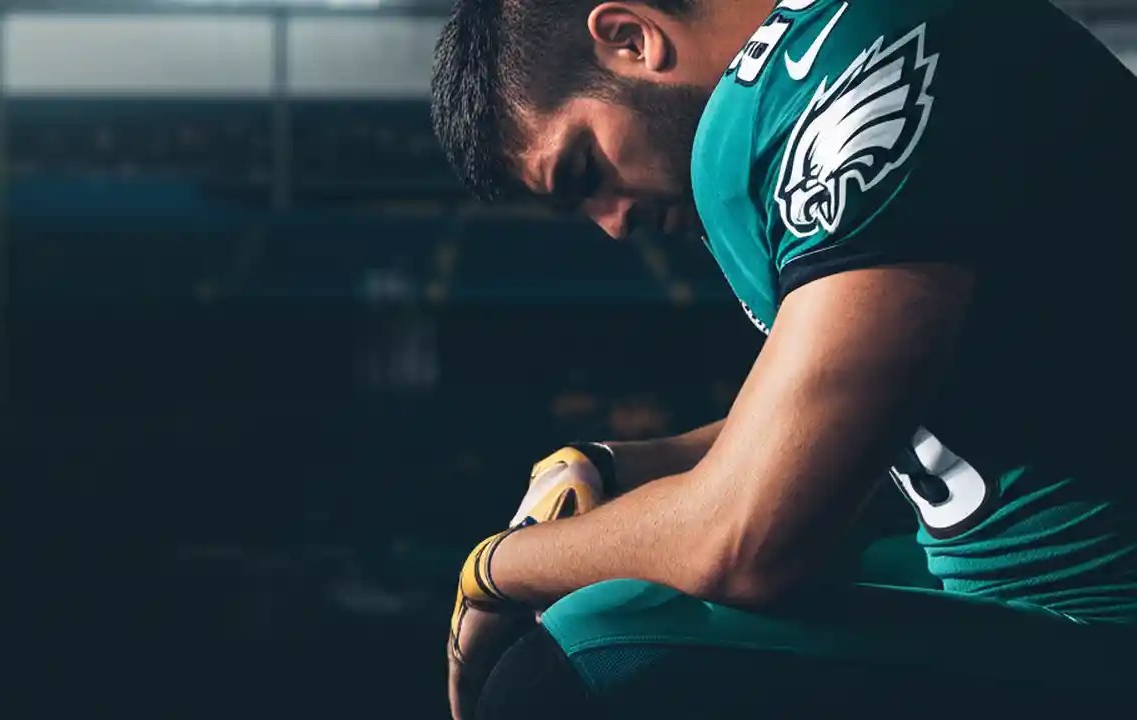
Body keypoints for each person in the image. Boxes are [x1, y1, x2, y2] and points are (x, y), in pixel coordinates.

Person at [430, 0, 1137, 718]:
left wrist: (493, 569)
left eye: (584, 171)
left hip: (1099, 620)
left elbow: (748, 541)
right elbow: (853, 421)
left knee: (580, 659)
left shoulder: (816, 73)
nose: (614, 224)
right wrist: (610, 465)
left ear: (629, 38)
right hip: (1020, 584)